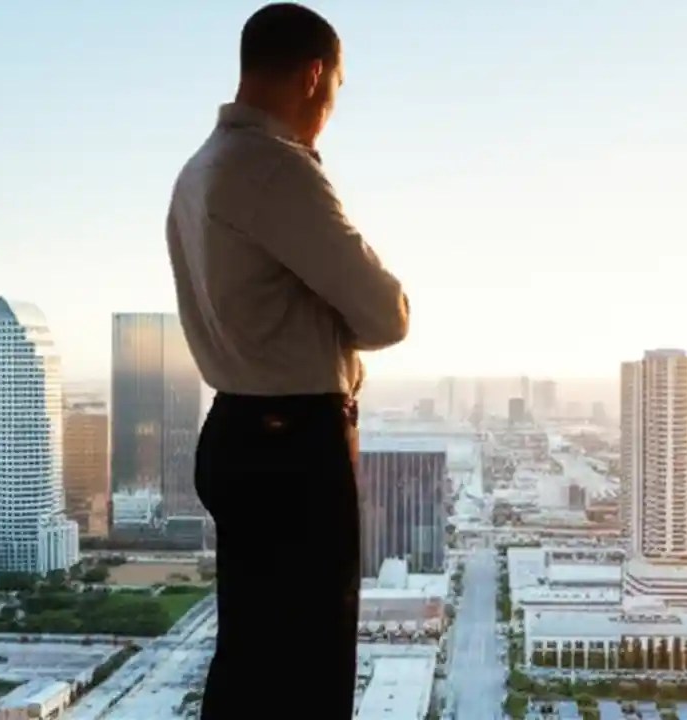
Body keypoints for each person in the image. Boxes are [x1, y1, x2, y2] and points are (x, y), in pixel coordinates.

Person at [165, 4, 409, 717]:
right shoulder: (276, 168)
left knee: (251, 661)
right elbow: (386, 313)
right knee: (308, 670)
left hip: (236, 434)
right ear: (313, 76)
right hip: (294, 446)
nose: (334, 104)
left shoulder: (195, 171)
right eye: (337, 85)